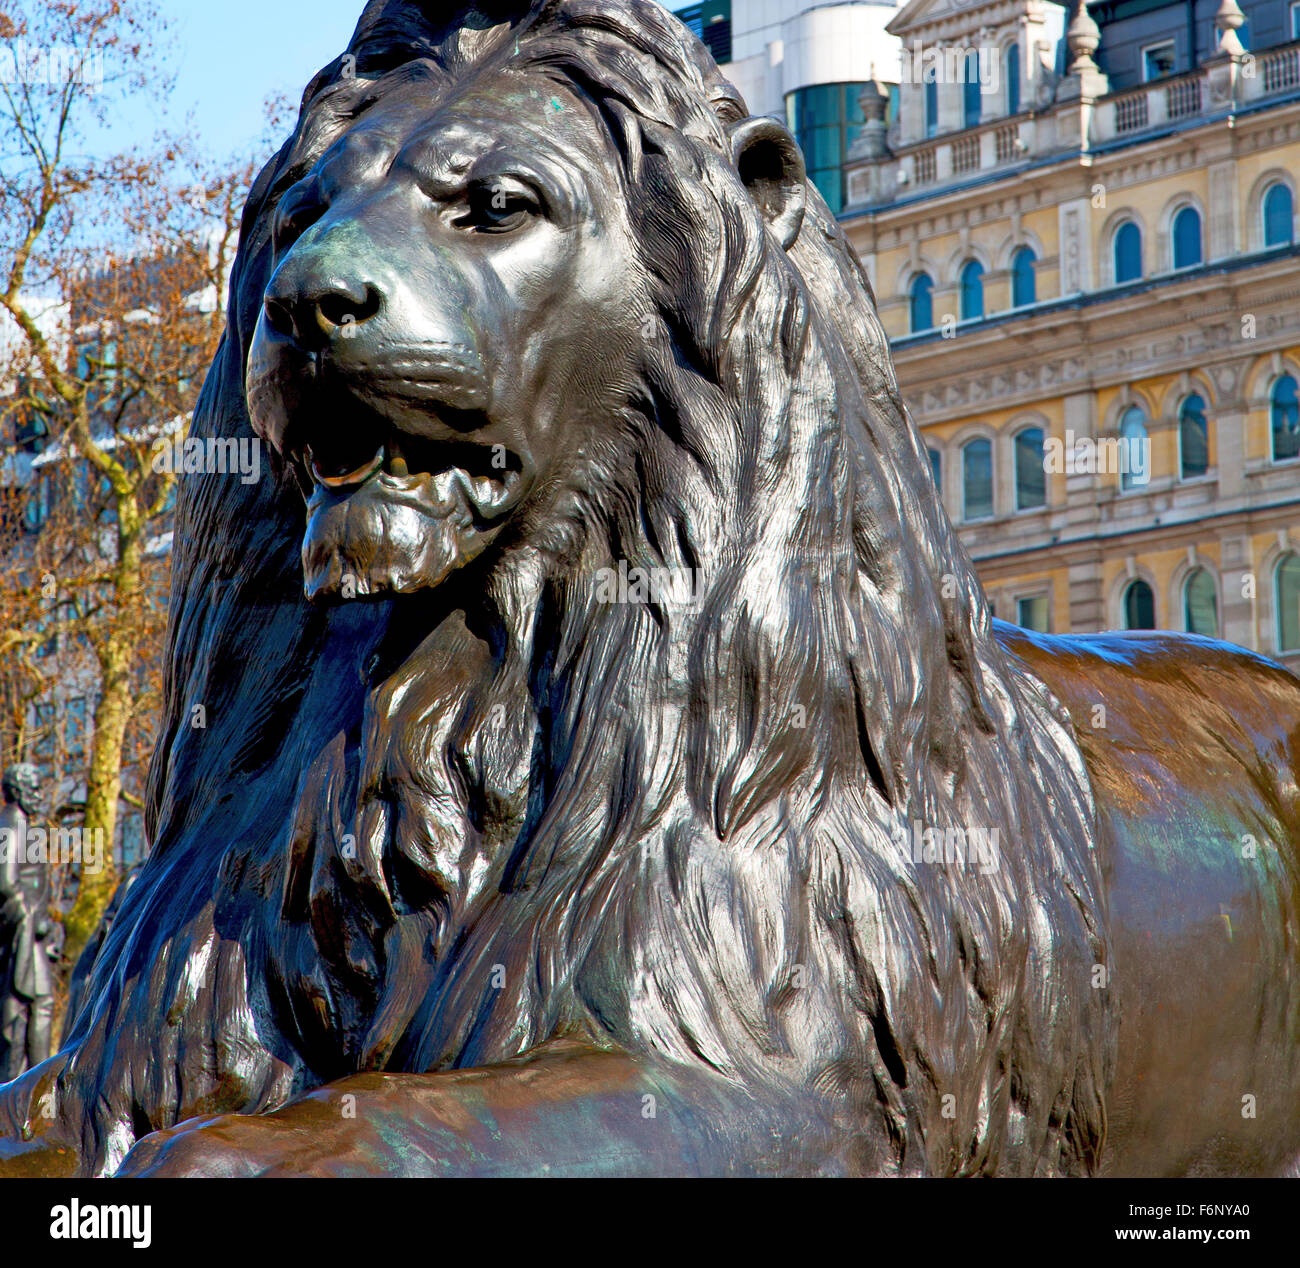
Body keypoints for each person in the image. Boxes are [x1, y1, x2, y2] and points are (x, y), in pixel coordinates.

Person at [0, 764, 57, 1080]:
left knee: (33, 1006)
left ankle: (32, 1080)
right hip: (22, 930)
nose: (39, 795)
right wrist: (30, 918)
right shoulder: (10, 825)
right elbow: (5, 882)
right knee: (37, 1002)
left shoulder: (24, 827)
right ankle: (35, 1082)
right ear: (18, 791)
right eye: (34, 789)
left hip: (32, 932)